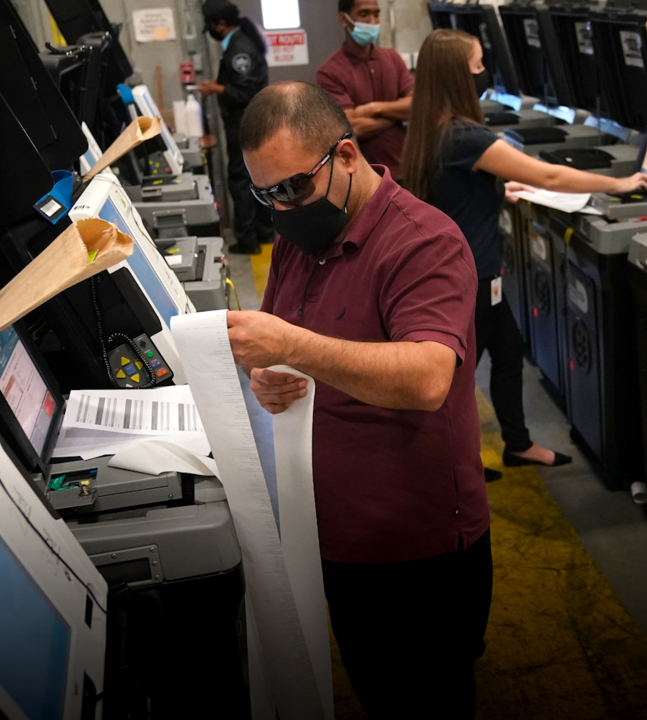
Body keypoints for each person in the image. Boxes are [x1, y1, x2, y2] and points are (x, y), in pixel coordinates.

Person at [229, 81, 491, 718]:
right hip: (335, 539)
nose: (283, 210)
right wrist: (273, 374)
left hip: (415, 553)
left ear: (346, 155)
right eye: (266, 195)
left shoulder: (424, 242)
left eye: (293, 187)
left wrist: (296, 344)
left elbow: (429, 378)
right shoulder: (297, 241)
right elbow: (287, 353)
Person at [401, 29, 647, 471]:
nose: (484, 72)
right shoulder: (466, 137)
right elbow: (550, 177)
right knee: (456, 380)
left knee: (509, 351)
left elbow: (454, 193)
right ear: (459, 75)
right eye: (478, 65)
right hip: (472, 279)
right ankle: (447, 466)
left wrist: (497, 189)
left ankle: (516, 444)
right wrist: (621, 183)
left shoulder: (431, 127)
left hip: (466, 272)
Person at [198, 0, 273, 255]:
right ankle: (264, 232)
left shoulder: (240, 48)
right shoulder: (240, 42)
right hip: (249, 121)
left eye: (211, 25)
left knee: (241, 179)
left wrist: (215, 88)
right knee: (257, 177)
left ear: (220, 23)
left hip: (244, 123)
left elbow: (246, 91)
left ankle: (248, 239)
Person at [315, 0, 414, 177]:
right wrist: (396, 114)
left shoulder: (392, 58)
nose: (372, 21)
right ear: (344, 19)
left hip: (403, 172)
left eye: (376, 14)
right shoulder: (329, 71)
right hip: (361, 178)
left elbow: (417, 105)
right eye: (364, 14)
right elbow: (350, 128)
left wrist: (373, 108)